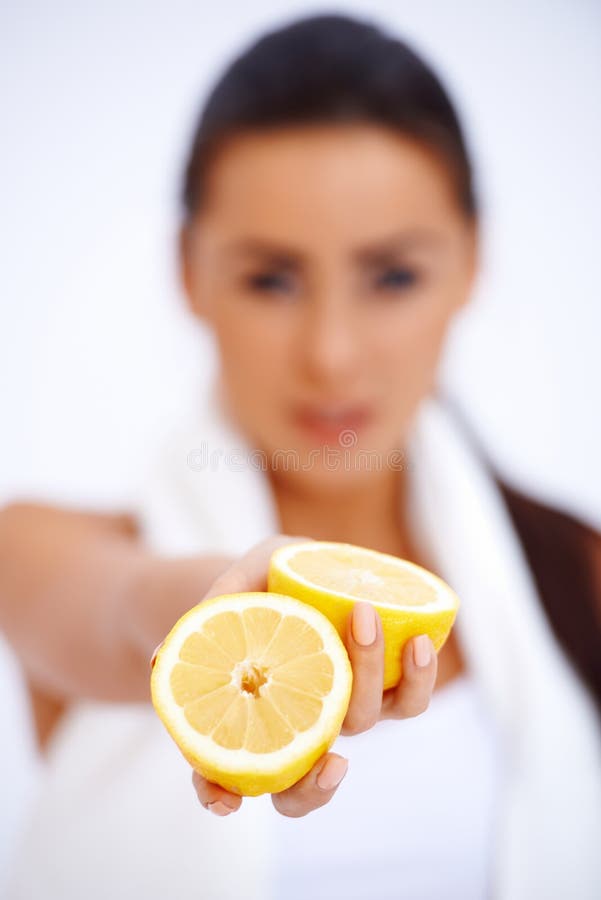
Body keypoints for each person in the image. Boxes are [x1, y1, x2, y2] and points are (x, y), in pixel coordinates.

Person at [1, 12, 600, 900]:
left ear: (470, 263)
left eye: (391, 276)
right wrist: (216, 610)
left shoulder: (576, 570)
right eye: (270, 279)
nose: (331, 354)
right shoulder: (41, 552)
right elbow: (123, 611)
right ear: (189, 271)